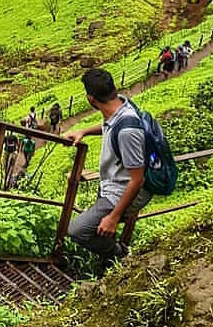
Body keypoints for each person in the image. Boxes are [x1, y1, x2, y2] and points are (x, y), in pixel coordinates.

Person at [63, 68, 151, 270]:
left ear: (90, 99)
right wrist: (84, 131)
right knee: (96, 227)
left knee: (78, 230)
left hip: (120, 192)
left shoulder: (128, 131)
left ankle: (118, 254)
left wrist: (113, 217)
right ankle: (107, 260)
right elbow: (109, 125)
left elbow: (138, 180)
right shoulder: (119, 106)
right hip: (111, 183)